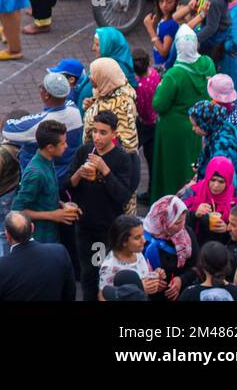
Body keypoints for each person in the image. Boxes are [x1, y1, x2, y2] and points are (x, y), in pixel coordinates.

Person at [68, 110, 138, 299]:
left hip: (105, 228)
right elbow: (67, 185)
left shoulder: (121, 158)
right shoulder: (85, 151)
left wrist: (104, 170)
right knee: (88, 273)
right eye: (95, 131)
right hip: (84, 225)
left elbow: (122, 195)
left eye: (103, 132)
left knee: (100, 271)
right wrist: (78, 175)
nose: (97, 137)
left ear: (114, 134)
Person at [151, 25, 215, 199]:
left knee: (172, 170)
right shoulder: (208, 64)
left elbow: (159, 105)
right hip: (200, 126)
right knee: (192, 167)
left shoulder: (174, 74)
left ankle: (170, 204)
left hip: (174, 131)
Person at [0, 211, 76, 301]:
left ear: (8, 236)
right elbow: (70, 293)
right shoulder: (59, 252)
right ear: (32, 228)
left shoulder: (0, 267)